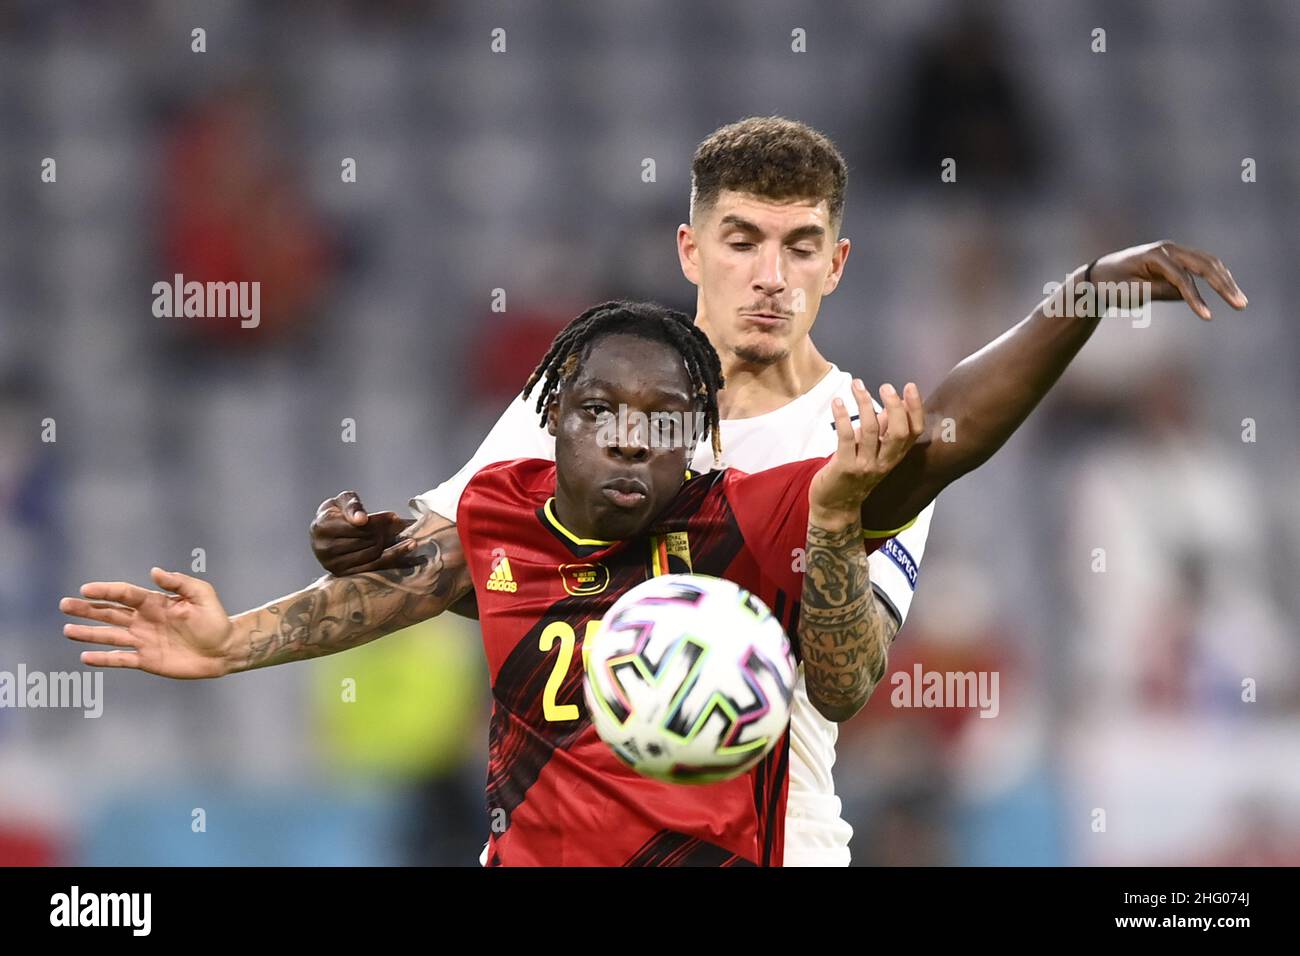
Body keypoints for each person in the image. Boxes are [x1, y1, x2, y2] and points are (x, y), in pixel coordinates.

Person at [310, 116, 1248, 865]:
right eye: (743, 240)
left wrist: (1075, 299)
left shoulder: (862, 440)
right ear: (690, 249)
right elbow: (432, 562)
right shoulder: (584, 396)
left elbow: (843, 683)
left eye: (801, 247)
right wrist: (239, 635)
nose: (770, 277)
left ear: (836, 265)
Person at [61, 300, 924, 867]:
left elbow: (945, 445)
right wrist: (231, 641)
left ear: (691, 438)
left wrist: (1064, 309)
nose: (627, 439)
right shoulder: (496, 509)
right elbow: (402, 585)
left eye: (658, 420)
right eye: (599, 412)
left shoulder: (744, 517)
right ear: (555, 421)